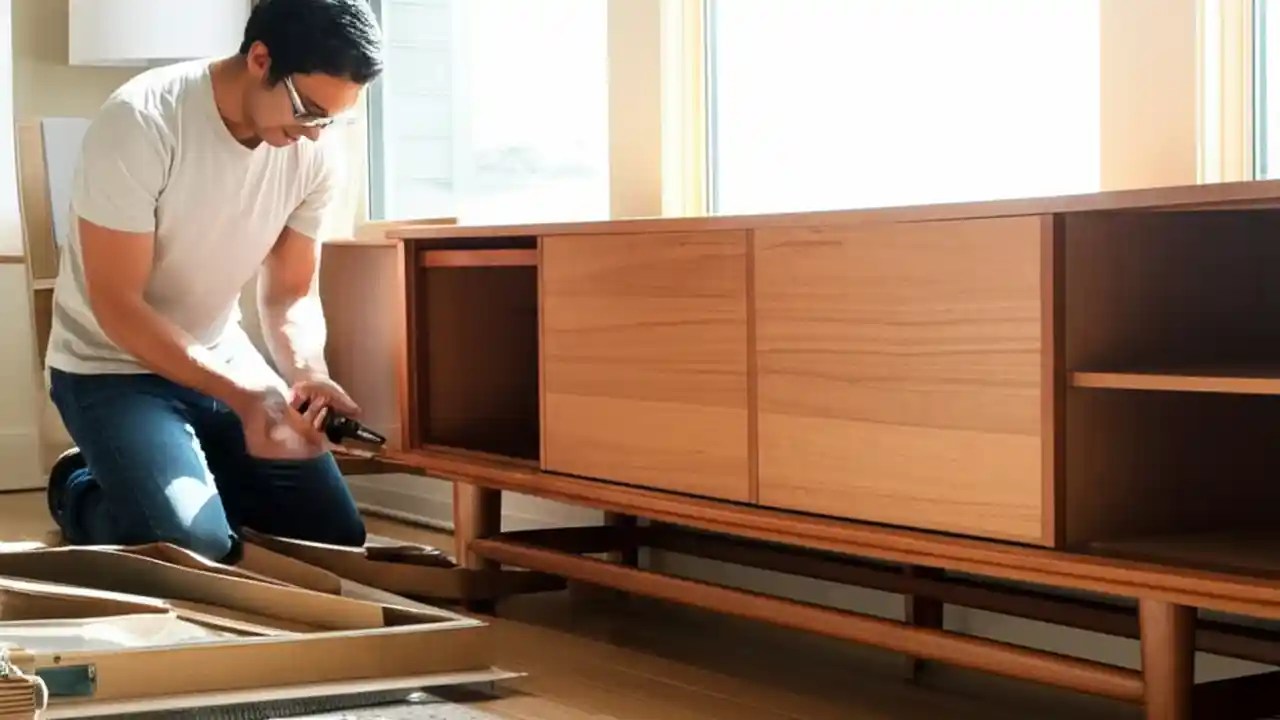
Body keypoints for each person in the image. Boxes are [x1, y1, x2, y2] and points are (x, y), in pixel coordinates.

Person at [42, 0, 384, 563]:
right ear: (259, 57)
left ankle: (176, 473)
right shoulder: (141, 120)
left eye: (331, 120)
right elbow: (117, 306)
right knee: (194, 546)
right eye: (308, 111)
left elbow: (291, 292)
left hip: (223, 357)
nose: (314, 134)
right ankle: (80, 486)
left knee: (332, 538)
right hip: (109, 366)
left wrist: (307, 376)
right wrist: (242, 398)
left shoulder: (314, 150)